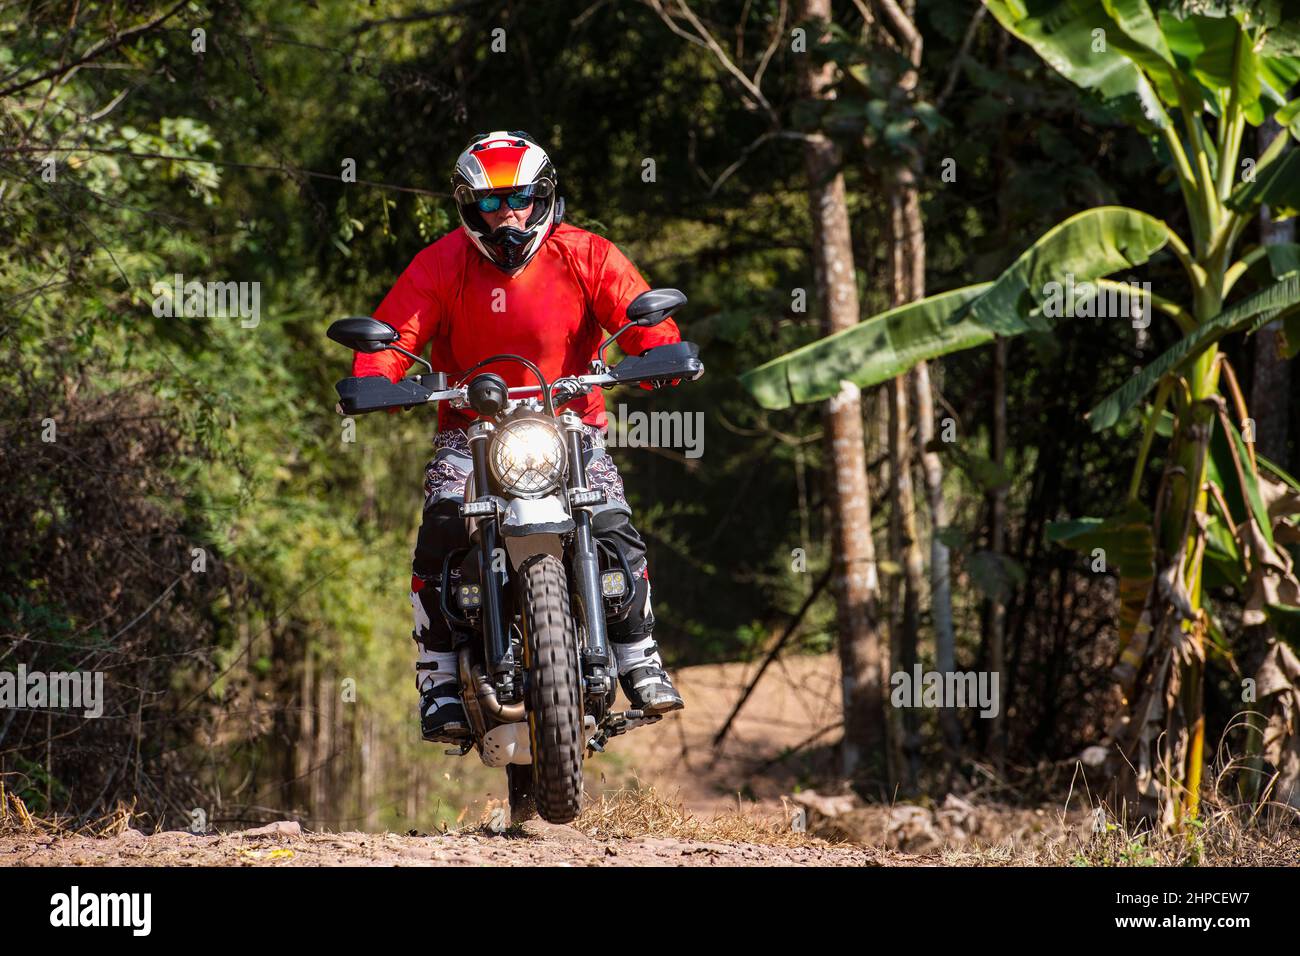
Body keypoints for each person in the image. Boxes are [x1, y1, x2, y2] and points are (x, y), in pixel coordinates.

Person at [352, 130, 685, 742]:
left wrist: (659, 353)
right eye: (489, 203)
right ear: (466, 205)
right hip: (471, 434)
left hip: (570, 426)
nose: (507, 213)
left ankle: (640, 654)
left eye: (521, 198)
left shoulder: (586, 254)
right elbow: (394, 337)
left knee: (612, 521)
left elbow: (643, 318)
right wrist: (376, 378)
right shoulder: (441, 262)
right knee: (443, 528)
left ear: (544, 195)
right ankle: (440, 676)